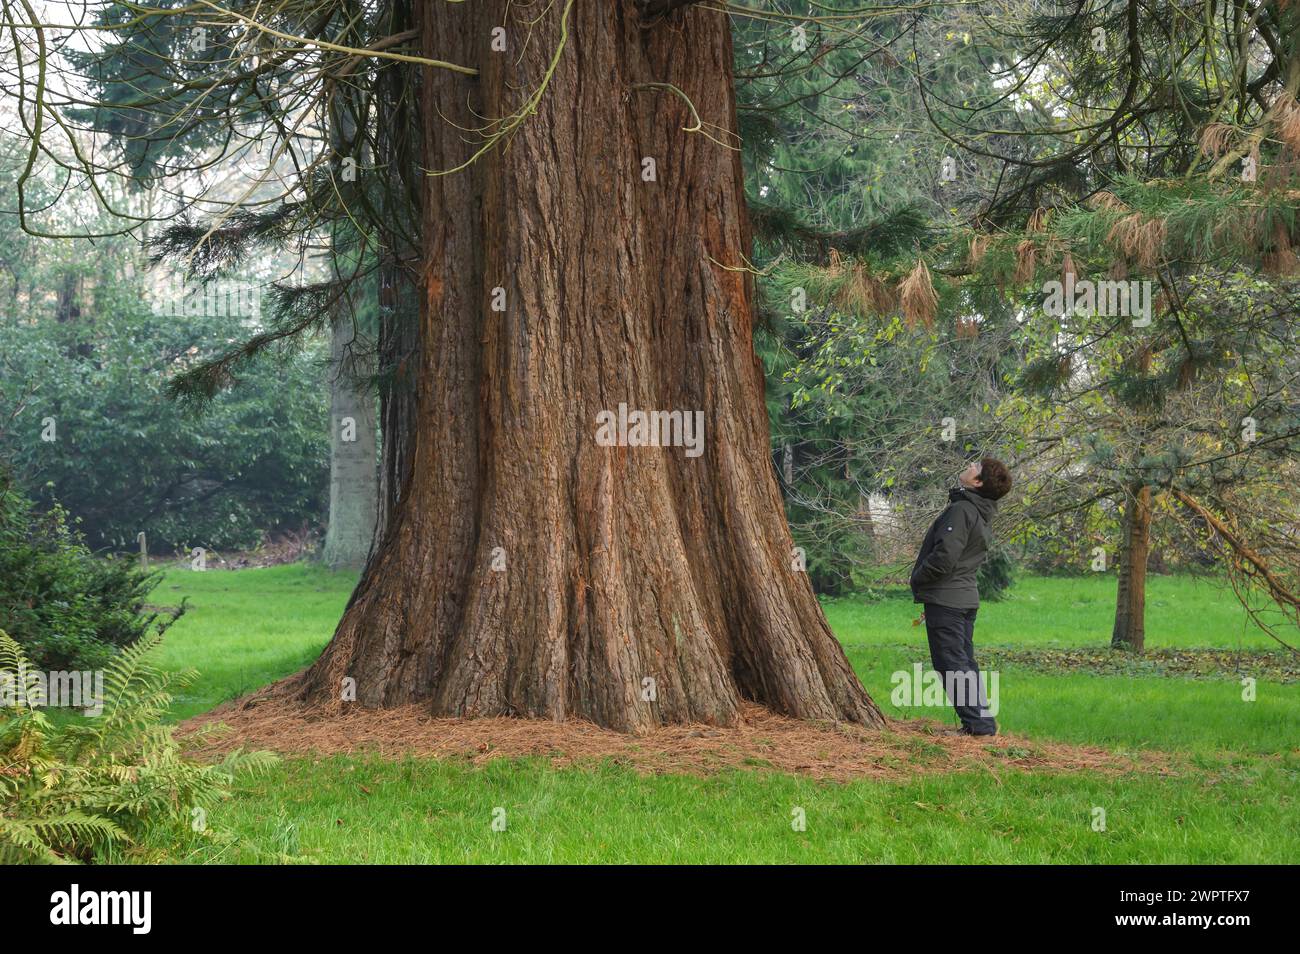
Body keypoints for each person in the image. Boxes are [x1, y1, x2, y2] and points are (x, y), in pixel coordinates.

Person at [909, 457, 1012, 736]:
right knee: (962, 662)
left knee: (951, 664)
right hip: (963, 599)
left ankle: (979, 726)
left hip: (948, 600)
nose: (969, 466)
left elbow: (945, 558)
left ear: (977, 482)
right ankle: (981, 722)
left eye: (974, 467)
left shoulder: (962, 510)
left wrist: (917, 578)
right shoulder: (979, 512)